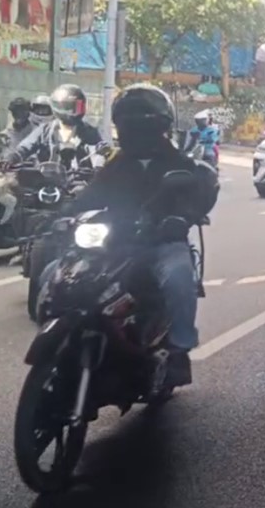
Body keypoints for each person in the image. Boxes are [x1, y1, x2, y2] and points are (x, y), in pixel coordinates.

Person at [59, 84, 217, 390]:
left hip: (163, 243)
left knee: (179, 279)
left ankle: (178, 351)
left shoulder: (180, 164)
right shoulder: (117, 164)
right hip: (117, 242)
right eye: (130, 125)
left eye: (144, 125)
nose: (137, 132)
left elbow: (203, 191)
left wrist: (182, 217)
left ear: (160, 127)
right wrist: (64, 212)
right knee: (67, 272)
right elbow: (92, 194)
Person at [9, 84, 103, 166]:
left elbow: (99, 150)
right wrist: (13, 157)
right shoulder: (45, 130)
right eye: (74, 107)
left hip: (78, 180)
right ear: (60, 107)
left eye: (80, 106)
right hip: (45, 179)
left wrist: (101, 158)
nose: (78, 111)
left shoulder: (89, 132)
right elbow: (26, 146)